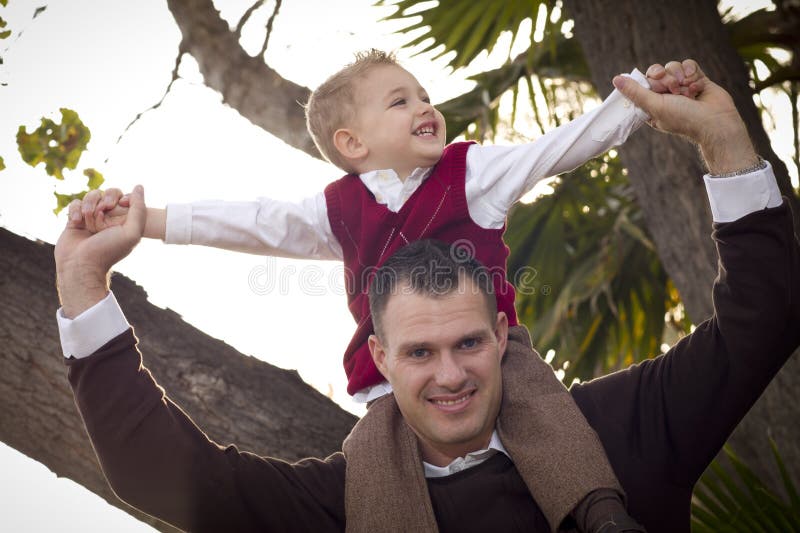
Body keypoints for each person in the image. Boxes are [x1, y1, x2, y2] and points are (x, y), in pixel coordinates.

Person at [56, 59, 799, 532]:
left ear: (495, 335)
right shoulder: (339, 211)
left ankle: (598, 510)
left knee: (544, 415)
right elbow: (258, 223)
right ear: (351, 142)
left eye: (467, 342)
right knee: (382, 448)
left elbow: (559, 147)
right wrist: (139, 230)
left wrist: (643, 103)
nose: (448, 372)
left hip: (533, 391)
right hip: (379, 413)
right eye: (399, 99)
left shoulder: (472, 175)